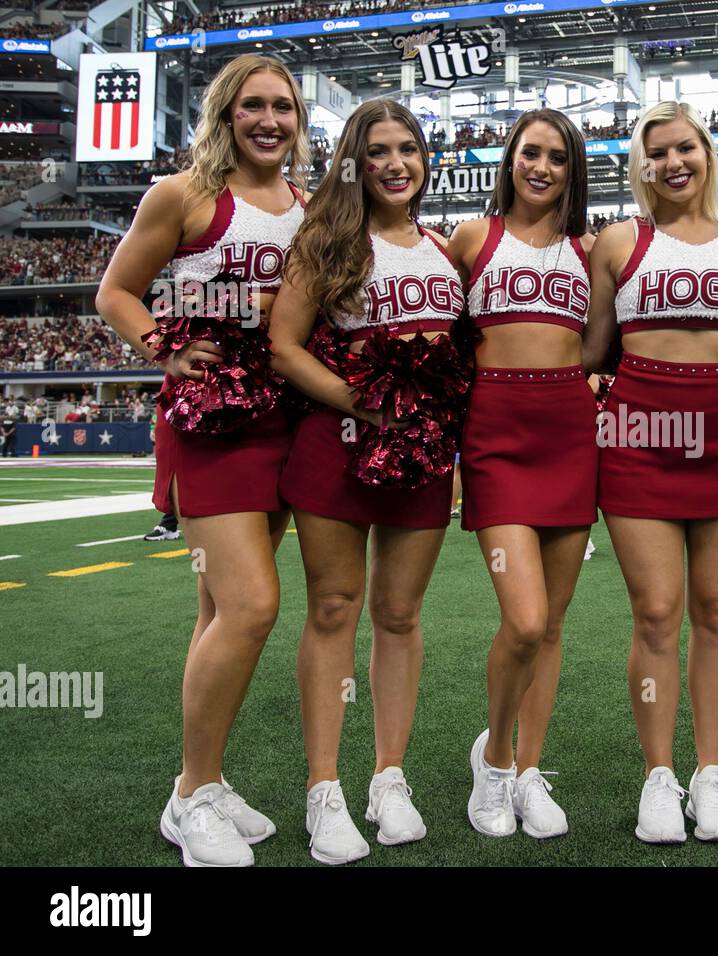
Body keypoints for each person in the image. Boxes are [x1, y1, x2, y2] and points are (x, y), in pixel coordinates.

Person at [95, 53, 311, 868]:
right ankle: (191, 795)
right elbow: (118, 290)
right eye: (251, 105)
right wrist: (162, 347)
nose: (269, 119)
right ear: (224, 115)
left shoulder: (311, 208)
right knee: (252, 607)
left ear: (298, 119)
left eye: (283, 107)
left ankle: (206, 783)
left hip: (291, 416)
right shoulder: (181, 195)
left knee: (218, 613)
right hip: (216, 420)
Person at [270, 99, 464, 864]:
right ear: (353, 161)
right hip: (338, 445)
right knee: (335, 608)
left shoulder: (446, 250)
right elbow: (285, 347)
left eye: (408, 149)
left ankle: (389, 776)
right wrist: (368, 403)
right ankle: (325, 790)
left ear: (425, 160)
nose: (394, 163)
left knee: (399, 613)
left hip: (421, 456)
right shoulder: (325, 243)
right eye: (377, 150)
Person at [582, 101, 718, 844]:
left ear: (707, 153)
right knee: (657, 614)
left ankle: (711, 774)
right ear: (641, 165)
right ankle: (659, 775)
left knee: (717, 615)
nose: (673, 163)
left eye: (684, 148)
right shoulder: (617, 241)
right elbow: (593, 351)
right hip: (638, 438)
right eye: (656, 153)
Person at [446, 108, 595, 839]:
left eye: (557, 157)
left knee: (554, 624)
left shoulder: (589, 250)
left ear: (574, 170)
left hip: (571, 436)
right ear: (509, 160)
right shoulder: (474, 238)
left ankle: (530, 768)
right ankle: (495, 760)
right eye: (529, 153)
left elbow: (603, 348)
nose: (541, 167)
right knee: (524, 618)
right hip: (498, 440)